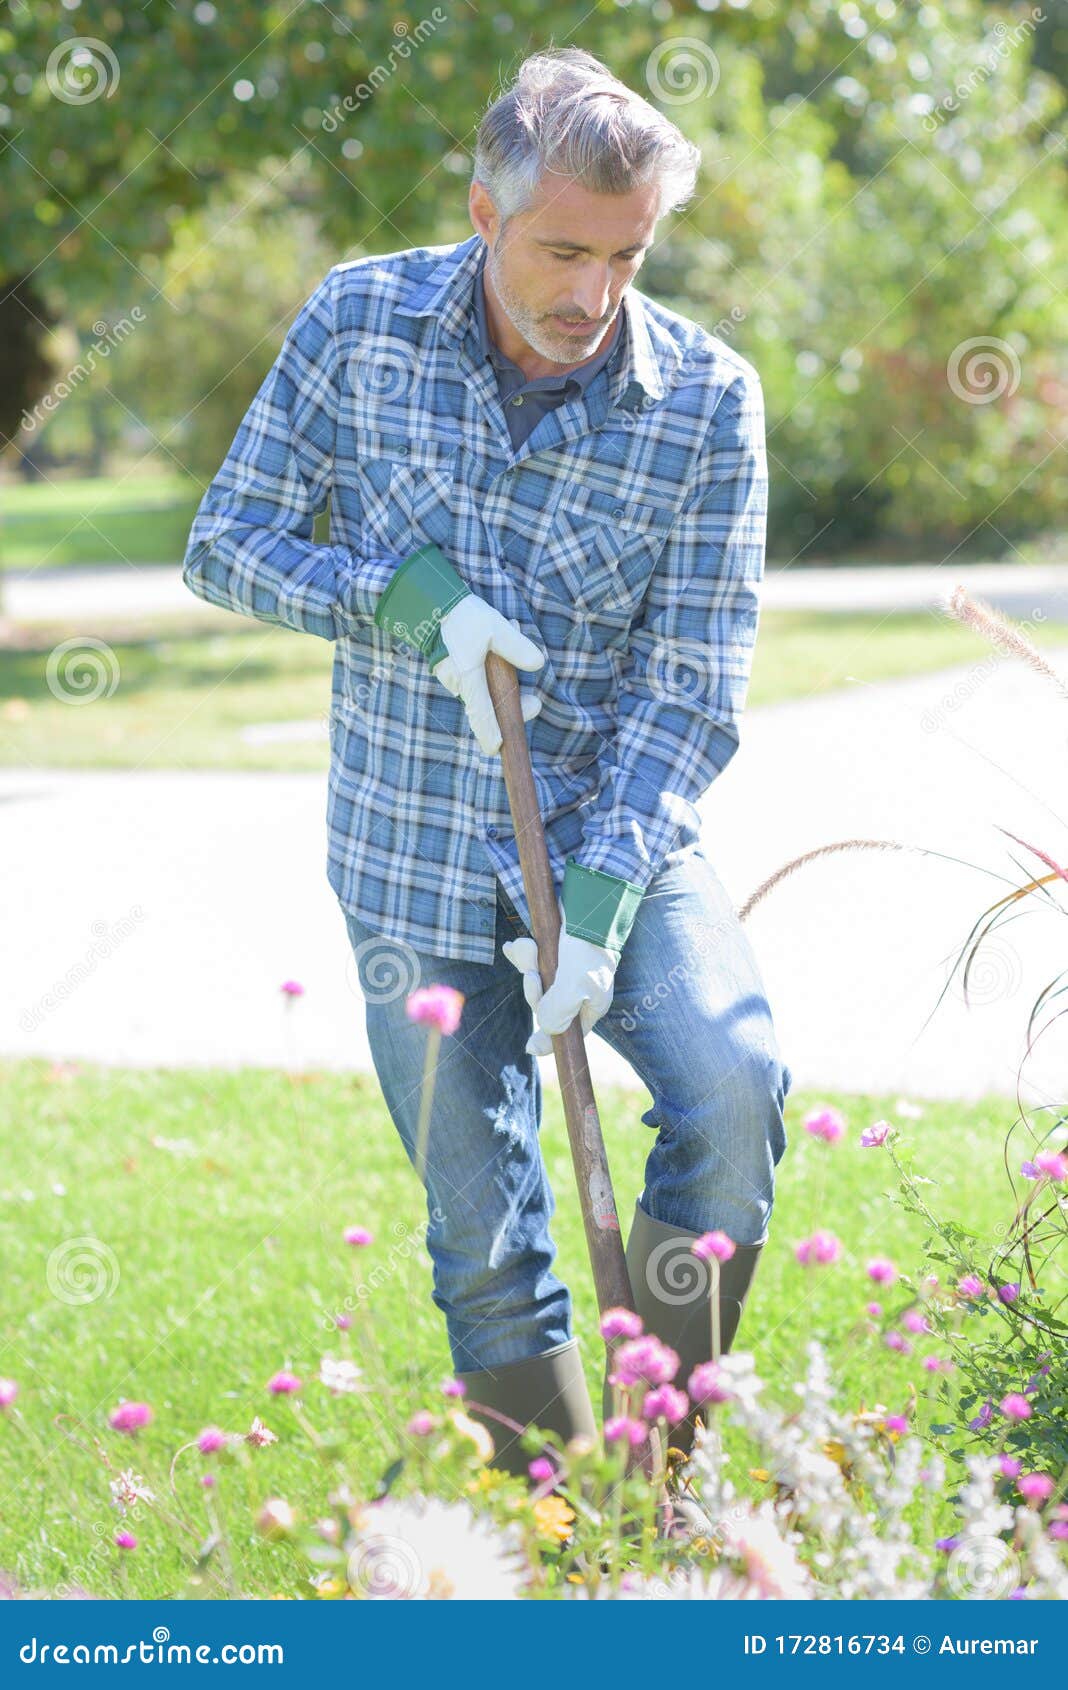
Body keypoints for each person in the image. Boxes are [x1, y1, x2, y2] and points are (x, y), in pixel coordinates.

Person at [182, 45, 792, 1479]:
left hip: (613, 828)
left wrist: (602, 888)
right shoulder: (358, 323)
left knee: (730, 1077)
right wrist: (404, 602)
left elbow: (693, 686)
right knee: (485, 1224)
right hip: (410, 846)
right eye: (563, 250)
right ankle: (556, 1514)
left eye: (627, 255)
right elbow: (226, 541)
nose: (595, 294)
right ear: (482, 210)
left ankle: (661, 1464)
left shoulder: (708, 402)